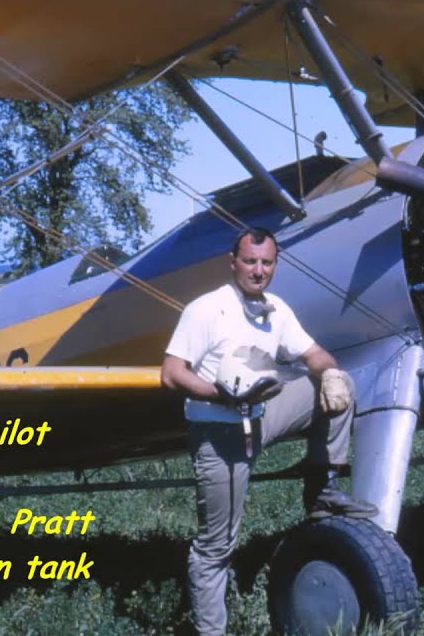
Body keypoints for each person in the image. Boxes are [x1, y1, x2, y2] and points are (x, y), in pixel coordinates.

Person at [161, 227, 377, 636]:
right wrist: (216, 394)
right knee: (216, 547)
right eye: (250, 261)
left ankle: (322, 489)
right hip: (218, 429)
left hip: (259, 415)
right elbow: (171, 374)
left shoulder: (275, 309)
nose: (258, 271)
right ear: (233, 263)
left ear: (275, 264)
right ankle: (211, 632)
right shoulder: (207, 309)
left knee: (333, 385)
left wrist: (329, 371)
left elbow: (314, 354)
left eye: (266, 263)